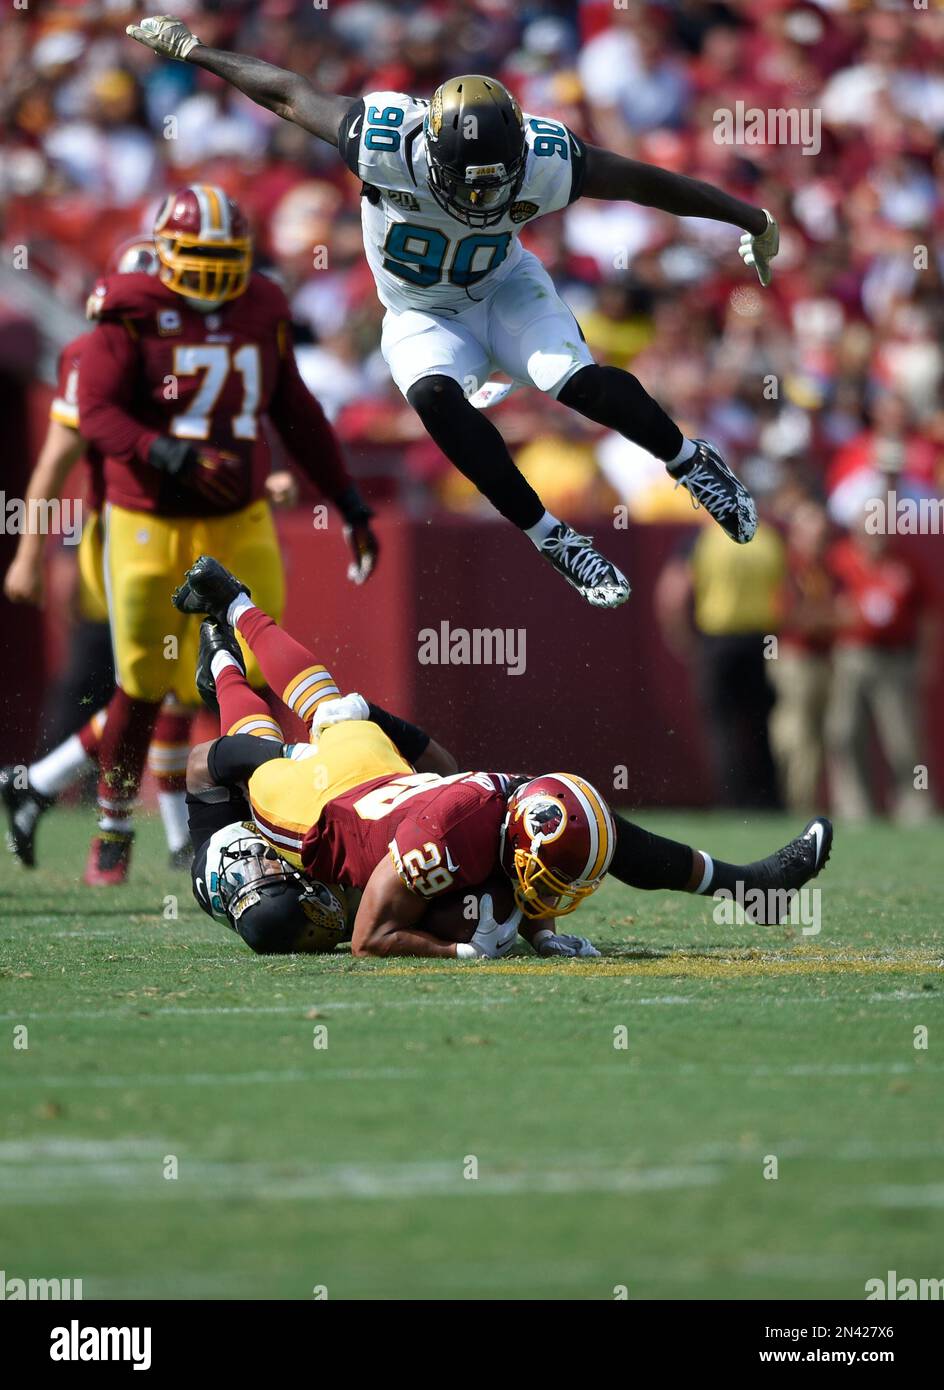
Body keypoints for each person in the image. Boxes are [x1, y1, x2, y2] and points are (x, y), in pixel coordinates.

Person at [126, 14, 781, 610]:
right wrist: (196, 50)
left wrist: (748, 218)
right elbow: (287, 94)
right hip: (420, 312)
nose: (480, 196)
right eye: (466, 180)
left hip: (504, 289)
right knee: (435, 396)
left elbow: (643, 182)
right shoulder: (383, 139)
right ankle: (553, 539)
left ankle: (691, 462)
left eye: (494, 180)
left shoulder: (545, 156)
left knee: (572, 380)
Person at [178, 555, 832, 959]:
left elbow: (441, 759)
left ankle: (236, 601)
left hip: (385, 777)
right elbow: (368, 938)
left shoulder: (517, 797)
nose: (548, 897)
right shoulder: (445, 839)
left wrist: (379, 717)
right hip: (317, 812)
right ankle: (226, 657)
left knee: (334, 706)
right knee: (266, 751)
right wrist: (458, 949)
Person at [52, 183, 377, 885]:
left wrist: (347, 501)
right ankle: (113, 820)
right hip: (147, 517)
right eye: (196, 256)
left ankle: (270, 819)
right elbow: (97, 412)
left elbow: (295, 408)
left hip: (237, 514)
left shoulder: (262, 306)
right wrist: (159, 450)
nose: (211, 271)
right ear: (165, 255)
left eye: (224, 256)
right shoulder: (130, 309)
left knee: (258, 668)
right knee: (141, 677)